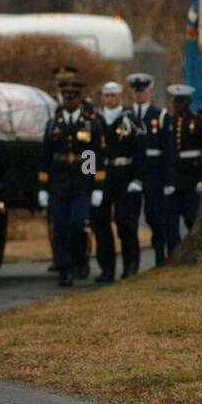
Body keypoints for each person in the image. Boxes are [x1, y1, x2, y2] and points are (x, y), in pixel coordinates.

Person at [37, 67, 106, 286]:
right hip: (58, 183)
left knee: (77, 225)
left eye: (73, 97)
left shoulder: (90, 123)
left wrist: (96, 185)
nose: (69, 101)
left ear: (79, 98)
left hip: (81, 182)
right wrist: (43, 187)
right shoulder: (53, 125)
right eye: (66, 97)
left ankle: (80, 259)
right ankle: (65, 270)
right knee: (60, 228)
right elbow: (46, 156)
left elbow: (94, 155)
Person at [91, 81, 144, 281]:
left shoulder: (130, 119)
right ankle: (107, 269)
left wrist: (138, 178)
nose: (109, 99)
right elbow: (90, 151)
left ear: (120, 97)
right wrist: (90, 180)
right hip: (101, 178)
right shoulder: (95, 120)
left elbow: (139, 150)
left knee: (125, 223)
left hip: (124, 175)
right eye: (106, 96)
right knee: (100, 225)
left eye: (113, 95)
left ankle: (130, 265)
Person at [125, 72, 173, 266]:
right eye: (136, 91)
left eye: (142, 91)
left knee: (155, 218)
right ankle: (132, 264)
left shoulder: (159, 116)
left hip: (154, 175)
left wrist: (169, 180)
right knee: (130, 221)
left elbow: (168, 150)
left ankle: (160, 258)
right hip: (132, 175)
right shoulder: (126, 117)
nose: (139, 95)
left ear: (149, 92)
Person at [164, 82, 202, 255]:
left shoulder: (199, 122)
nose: (178, 105)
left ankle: (194, 252)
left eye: (182, 101)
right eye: (176, 101)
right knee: (170, 222)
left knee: (192, 218)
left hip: (191, 177)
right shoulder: (168, 122)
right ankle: (173, 252)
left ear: (188, 102)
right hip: (174, 178)